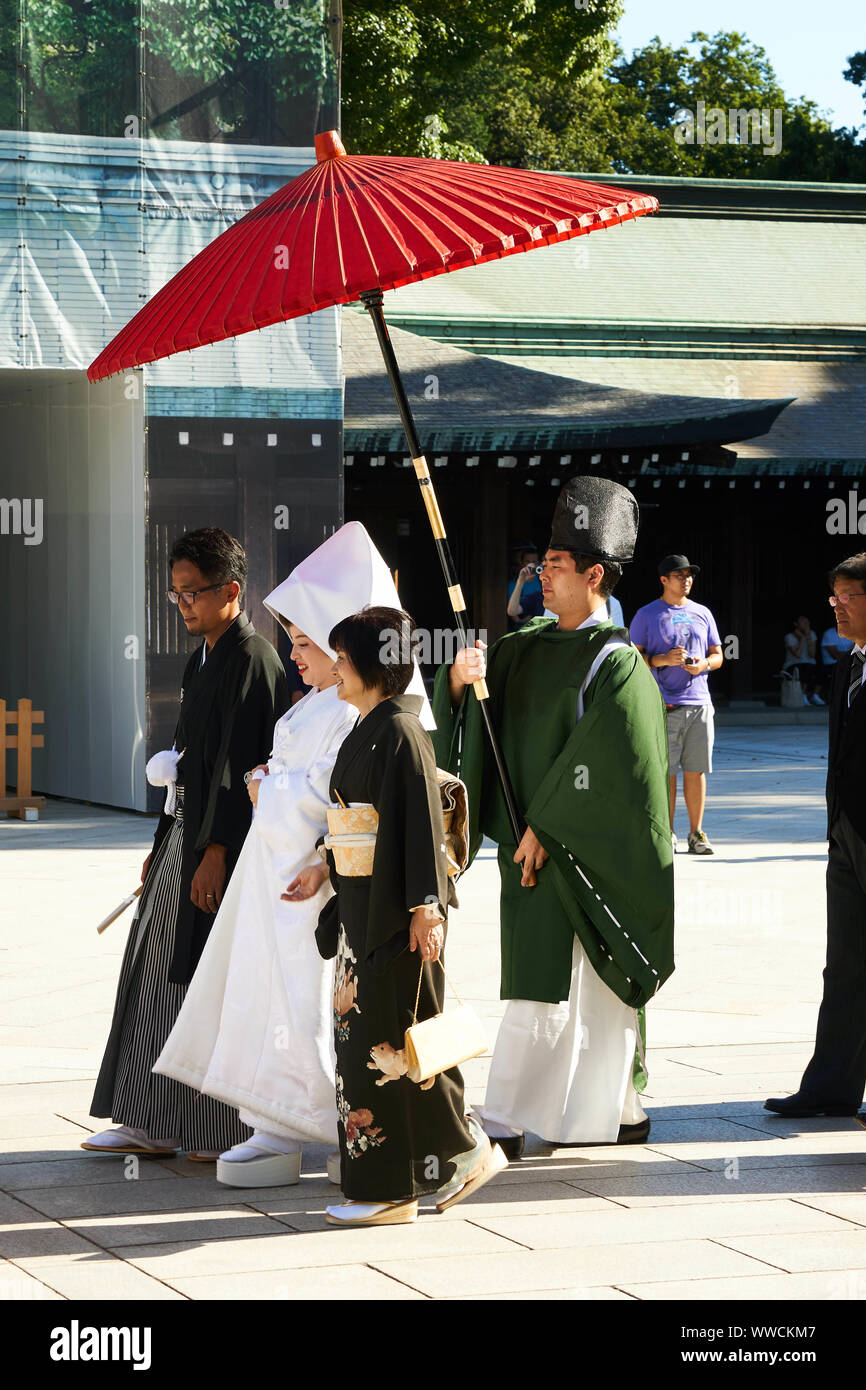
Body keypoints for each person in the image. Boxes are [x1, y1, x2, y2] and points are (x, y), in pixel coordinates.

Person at [154, 523, 429, 1188]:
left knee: (306, 1004)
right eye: (297, 640)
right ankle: (277, 1119)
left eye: (308, 642)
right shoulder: (323, 706)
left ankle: (320, 1122)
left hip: (312, 886)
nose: (296, 653)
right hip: (277, 878)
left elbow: (332, 798)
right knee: (269, 995)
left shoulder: (359, 715)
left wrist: (264, 787)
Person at [433, 477, 674, 1157]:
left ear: (595, 575)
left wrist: (549, 827)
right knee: (545, 977)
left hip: (572, 847)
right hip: (529, 848)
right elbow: (478, 722)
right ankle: (612, 1109)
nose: (542, 573)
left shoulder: (619, 662)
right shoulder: (520, 650)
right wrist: (459, 682)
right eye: (541, 562)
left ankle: (516, 1115)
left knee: (588, 982)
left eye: (557, 565)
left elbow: (615, 764)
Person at [84, 529, 289, 1160]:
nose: (183, 606)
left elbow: (240, 766)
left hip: (219, 846)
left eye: (192, 593)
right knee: (153, 972)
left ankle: (216, 1129)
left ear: (232, 589)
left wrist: (217, 851)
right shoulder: (202, 659)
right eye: (175, 596)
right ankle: (149, 1118)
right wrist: (162, 837)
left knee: (204, 977)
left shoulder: (254, 658)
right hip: (184, 834)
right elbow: (191, 760)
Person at [317, 606, 507, 1226]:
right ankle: (459, 1153)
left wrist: (428, 905)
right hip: (361, 907)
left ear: (372, 663)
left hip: (397, 916)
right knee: (379, 1044)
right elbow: (353, 822)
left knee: (395, 1043)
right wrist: (326, 866)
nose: (336, 668)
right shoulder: (366, 726)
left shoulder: (402, 731)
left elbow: (420, 823)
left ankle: (391, 1187)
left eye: (343, 658)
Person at [767, 555, 866, 1122]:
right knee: (846, 963)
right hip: (846, 834)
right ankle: (832, 1084)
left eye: (849, 595)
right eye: (835, 597)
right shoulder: (847, 666)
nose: (837, 606)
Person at [631, 556, 723, 855]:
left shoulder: (702, 612)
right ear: (663, 580)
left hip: (699, 701)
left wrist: (704, 664)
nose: (686, 580)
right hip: (662, 704)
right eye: (678, 575)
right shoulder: (647, 614)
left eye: (689, 575)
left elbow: (718, 654)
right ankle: (666, 831)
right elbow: (632, 658)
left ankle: (696, 833)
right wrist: (663, 660)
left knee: (696, 771)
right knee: (665, 772)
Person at [782, 615, 824, 706]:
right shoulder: (789, 637)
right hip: (793, 664)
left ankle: (815, 695)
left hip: (809, 663)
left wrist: (808, 637)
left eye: (807, 622)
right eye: (803, 621)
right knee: (806, 668)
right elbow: (798, 655)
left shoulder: (812, 634)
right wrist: (801, 639)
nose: (806, 624)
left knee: (822, 669)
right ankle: (802, 695)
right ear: (796, 624)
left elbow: (812, 654)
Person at [507, 544, 545, 628]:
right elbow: (512, 611)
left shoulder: (542, 580)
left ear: (539, 564)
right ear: (521, 563)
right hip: (522, 624)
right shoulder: (514, 583)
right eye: (527, 561)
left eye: (534, 562)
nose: (531, 565)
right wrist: (521, 580)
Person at [820, 621, 853, 700]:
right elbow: (835, 655)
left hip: (849, 662)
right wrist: (851, 652)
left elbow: (858, 649)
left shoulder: (852, 632)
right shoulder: (829, 633)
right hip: (832, 664)